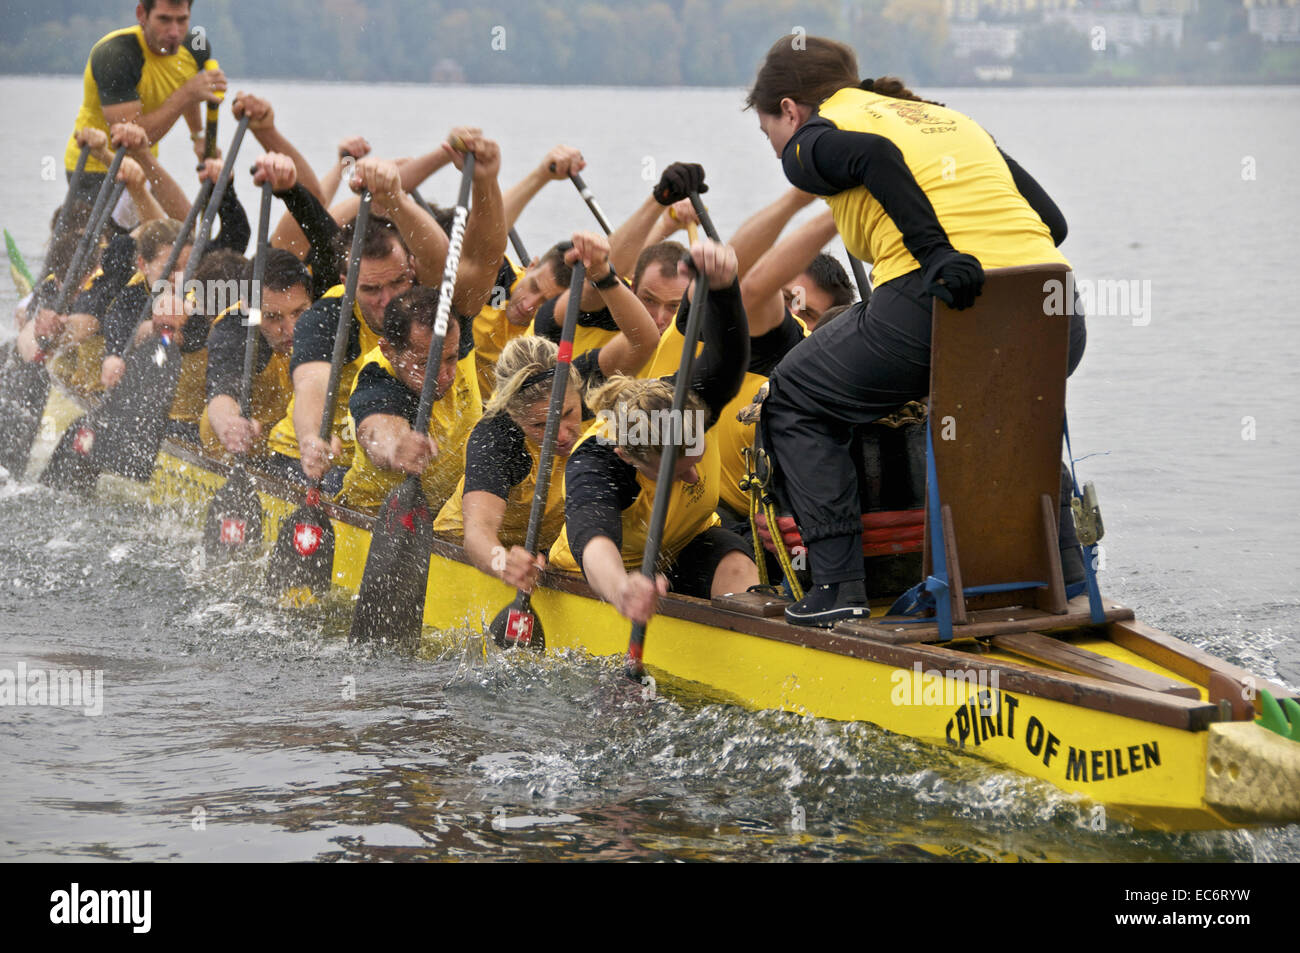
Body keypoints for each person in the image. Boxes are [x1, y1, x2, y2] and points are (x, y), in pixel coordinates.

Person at [746, 34, 1084, 626]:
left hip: (943, 302)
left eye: (768, 130)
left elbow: (874, 159)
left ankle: (838, 587)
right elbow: (1051, 222)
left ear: (791, 109)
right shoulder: (945, 118)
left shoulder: (810, 140)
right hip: (1055, 307)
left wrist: (934, 253)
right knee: (1009, 409)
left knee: (794, 396)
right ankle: (1069, 581)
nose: (776, 148)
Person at [434, 231, 661, 591]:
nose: (561, 435)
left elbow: (645, 339)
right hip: (473, 552)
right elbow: (478, 534)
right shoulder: (497, 436)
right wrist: (501, 560)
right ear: (515, 415)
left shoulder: (576, 380)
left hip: (543, 545)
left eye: (568, 414)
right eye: (540, 424)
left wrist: (603, 273)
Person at [548, 240, 758, 625]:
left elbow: (730, 354)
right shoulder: (597, 460)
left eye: (691, 462)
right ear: (626, 456)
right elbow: (593, 541)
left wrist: (725, 287)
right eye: (675, 472)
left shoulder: (690, 401)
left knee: (736, 563)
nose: (692, 476)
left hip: (689, 539)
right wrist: (621, 590)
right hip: (607, 574)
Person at [63, 0, 226, 203]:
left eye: (182, 20)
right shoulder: (116, 55)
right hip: (96, 167)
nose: (175, 32)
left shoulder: (196, 46)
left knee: (169, 232)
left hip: (144, 165)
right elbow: (131, 139)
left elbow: (188, 82)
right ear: (142, 14)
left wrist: (198, 137)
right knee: (123, 235)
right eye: (164, 20)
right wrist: (186, 95)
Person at [201, 249, 313, 459]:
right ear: (247, 306)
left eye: (298, 312)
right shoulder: (236, 329)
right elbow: (223, 386)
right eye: (273, 316)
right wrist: (229, 423)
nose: (291, 330)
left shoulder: (325, 311)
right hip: (229, 449)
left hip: (281, 445)